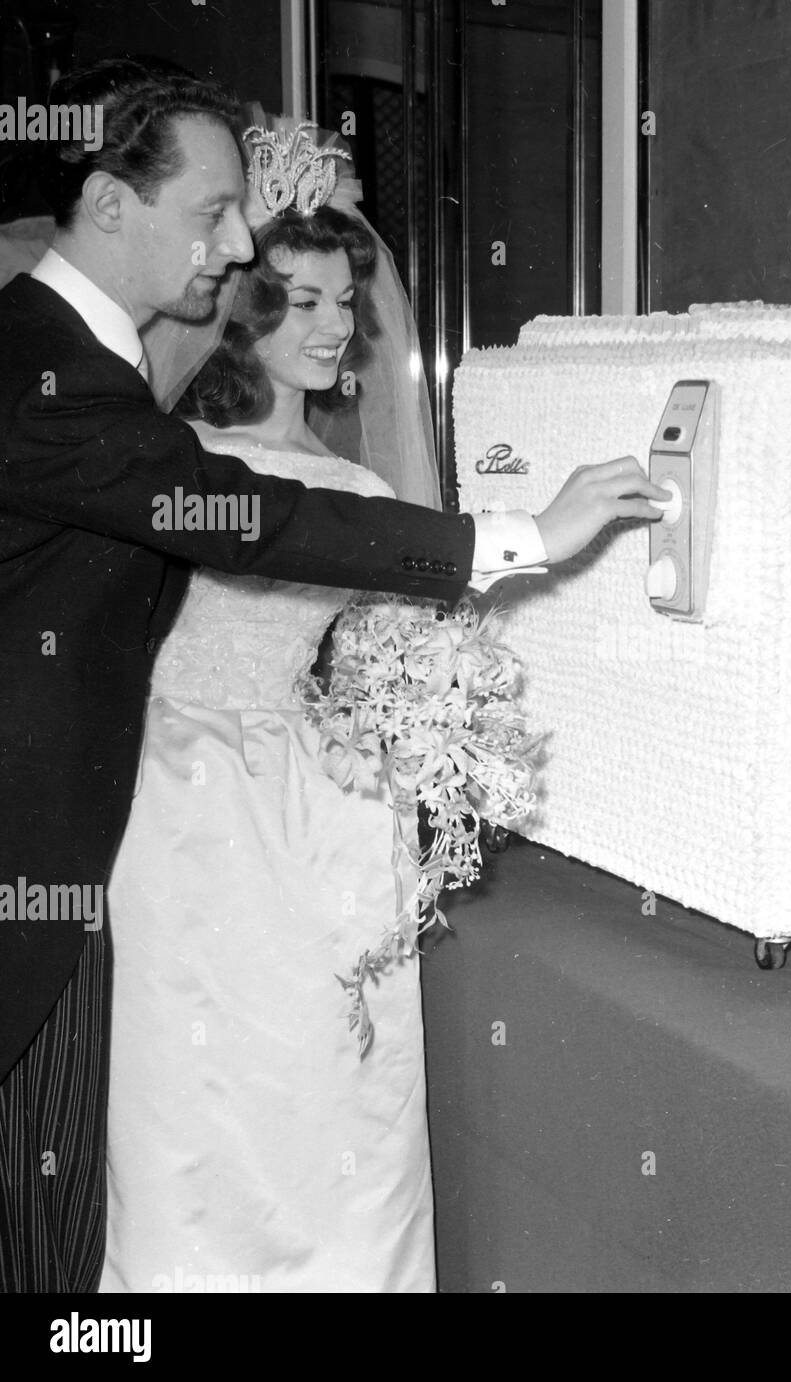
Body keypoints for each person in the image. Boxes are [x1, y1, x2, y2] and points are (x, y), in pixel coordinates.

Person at [0, 58, 665, 1292]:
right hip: (162, 819)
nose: (237, 245)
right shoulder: (70, 393)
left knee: (322, 1124)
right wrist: (515, 535)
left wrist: (418, 717)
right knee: (166, 1134)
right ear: (108, 206)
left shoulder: (95, 383)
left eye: (338, 297)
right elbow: (254, 525)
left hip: (310, 819)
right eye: (216, 220)